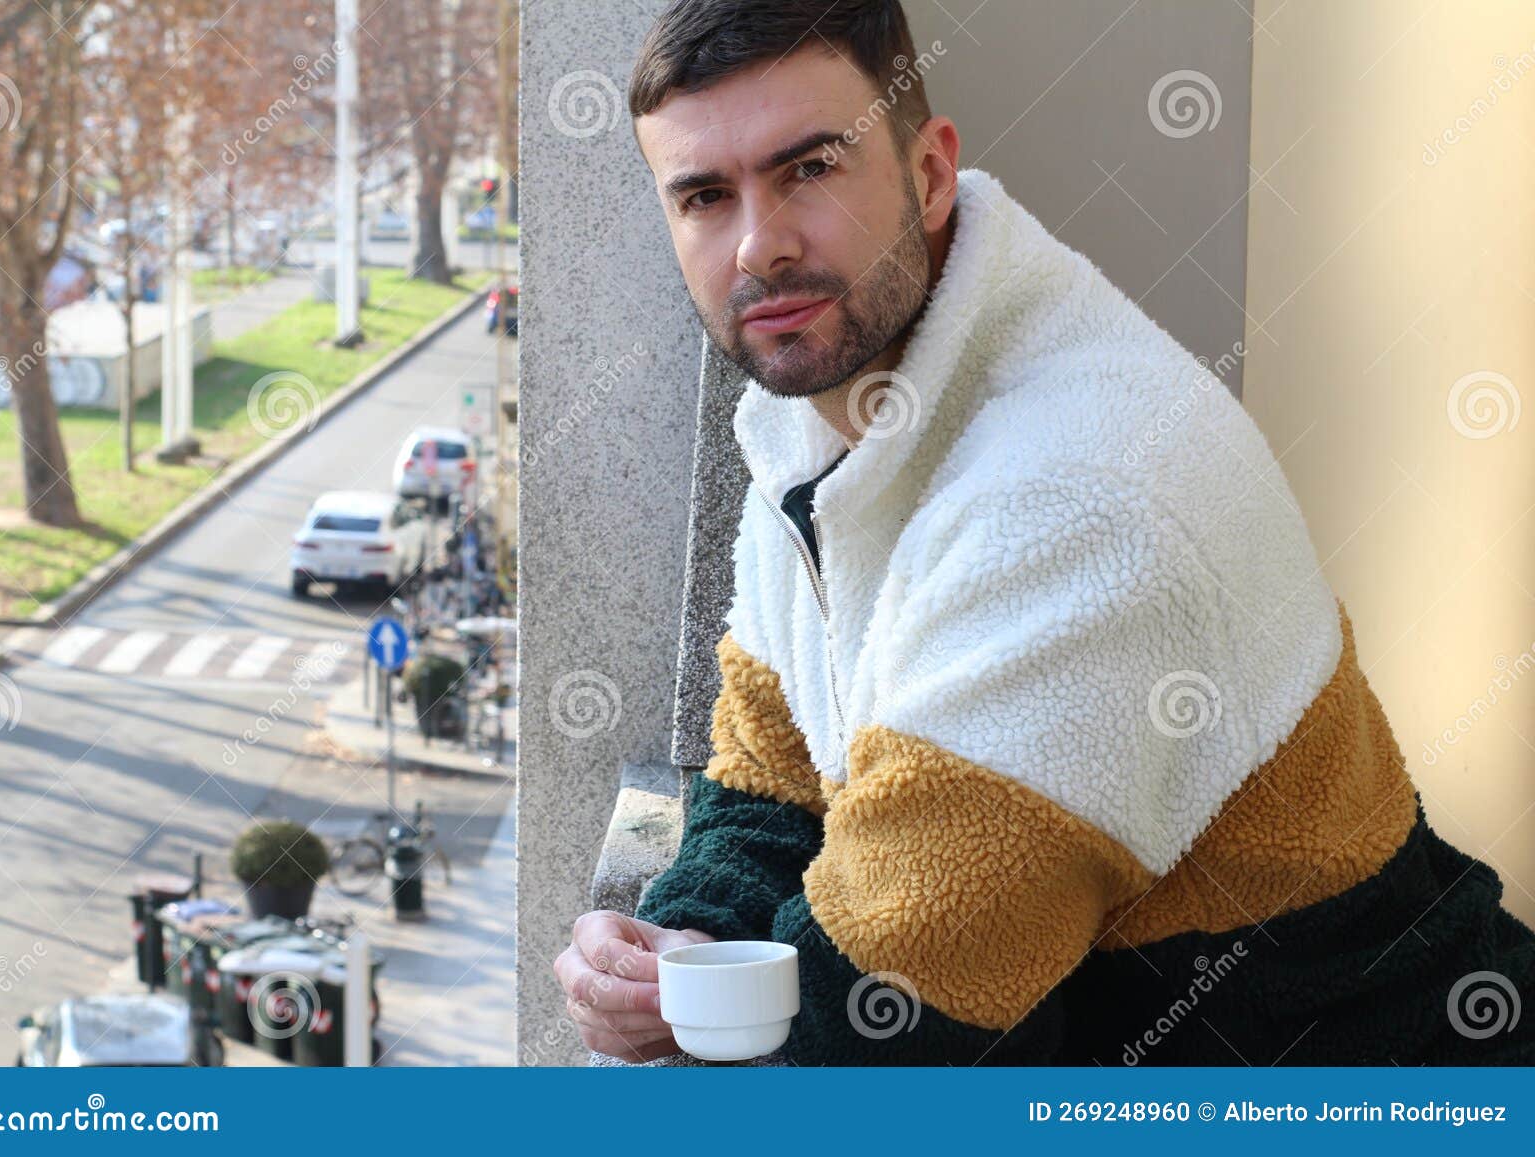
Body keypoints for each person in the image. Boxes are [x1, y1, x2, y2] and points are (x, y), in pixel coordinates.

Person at [553, 0, 1535, 1065]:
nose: (760, 244)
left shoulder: (1073, 496)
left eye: (812, 168)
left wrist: (701, 1002)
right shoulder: (816, 424)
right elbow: (769, 772)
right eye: (704, 195)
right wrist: (681, 940)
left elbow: (896, 1019)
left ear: (930, 174)